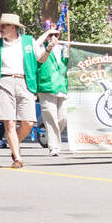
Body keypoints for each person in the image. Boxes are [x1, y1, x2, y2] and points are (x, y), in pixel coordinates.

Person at [0, 14, 59, 169]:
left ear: (13, 27)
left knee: (28, 123)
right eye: (1, 26)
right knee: (9, 122)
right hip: (4, 81)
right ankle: (17, 158)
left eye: (4, 26)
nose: (1, 29)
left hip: (25, 81)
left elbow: (41, 59)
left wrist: (49, 48)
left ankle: (14, 143)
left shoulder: (28, 42)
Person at [36, 20, 69, 157]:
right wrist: (48, 40)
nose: (54, 37)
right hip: (47, 86)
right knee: (51, 117)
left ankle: (46, 132)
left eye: (56, 34)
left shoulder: (63, 48)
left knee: (63, 118)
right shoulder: (40, 47)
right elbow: (40, 57)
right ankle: (54, 146)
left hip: (61, 86)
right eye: (51, 34)